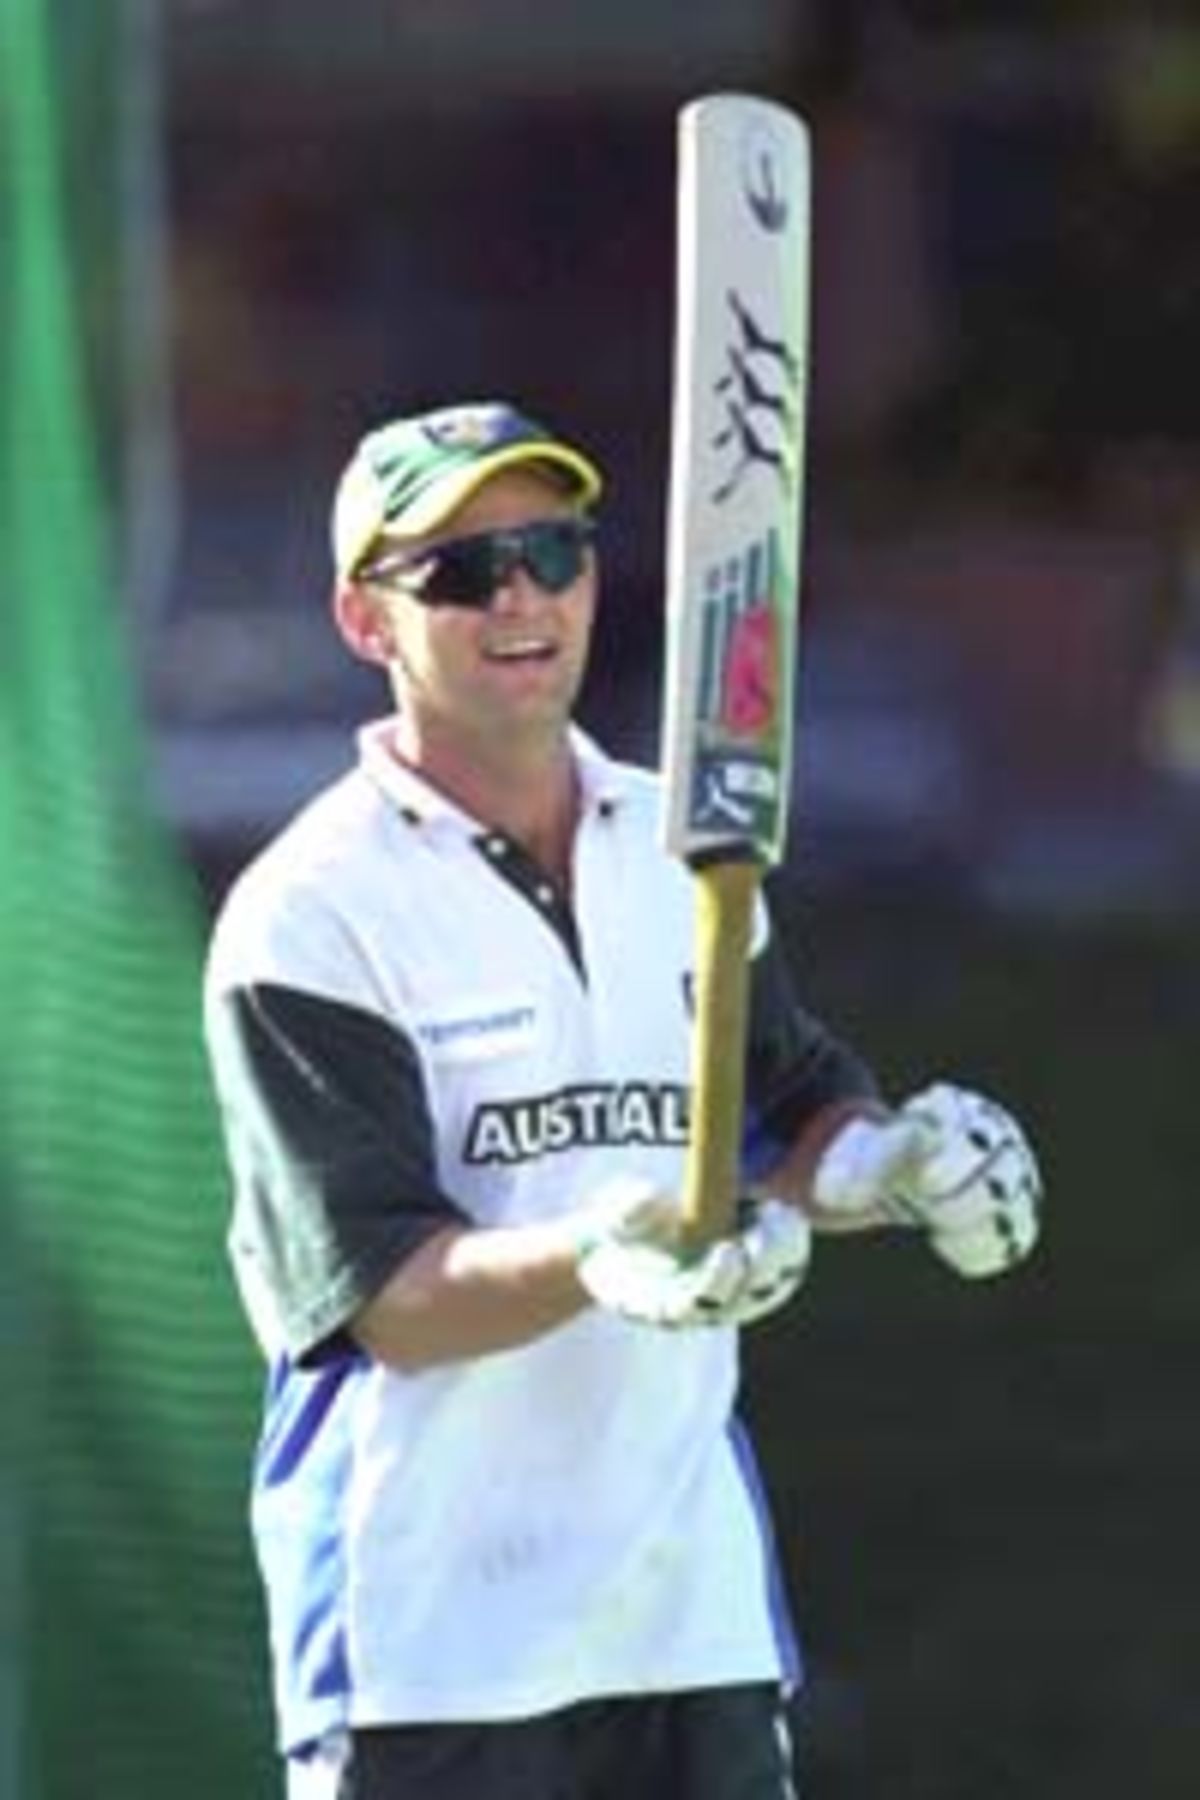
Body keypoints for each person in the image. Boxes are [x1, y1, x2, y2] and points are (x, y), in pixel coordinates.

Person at [203, 400, 1042, 1800]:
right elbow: (383, 1298)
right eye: (463, 571)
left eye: (553, 550)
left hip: (686, 1620)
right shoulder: (307, 915)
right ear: (368, 622)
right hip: (427, 1648)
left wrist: (889, 1166)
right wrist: (604, 1250)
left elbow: (777, 1113)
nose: (523, 594)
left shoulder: (687, 853)